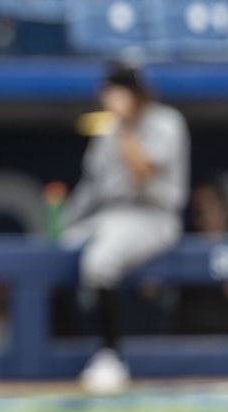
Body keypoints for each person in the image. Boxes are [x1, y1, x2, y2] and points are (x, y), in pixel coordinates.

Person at [59, 61, 189, 394]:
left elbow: (143, 172)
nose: (113, 97)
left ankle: (111, 357)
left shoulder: (166, 121)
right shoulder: (107, 127)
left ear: (138, 93)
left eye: (121, 90)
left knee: (100, 263)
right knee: (60, 250)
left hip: (153, 215)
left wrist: (126, 125)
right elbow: (92, 185)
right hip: (109, 215)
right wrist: (65, 224)